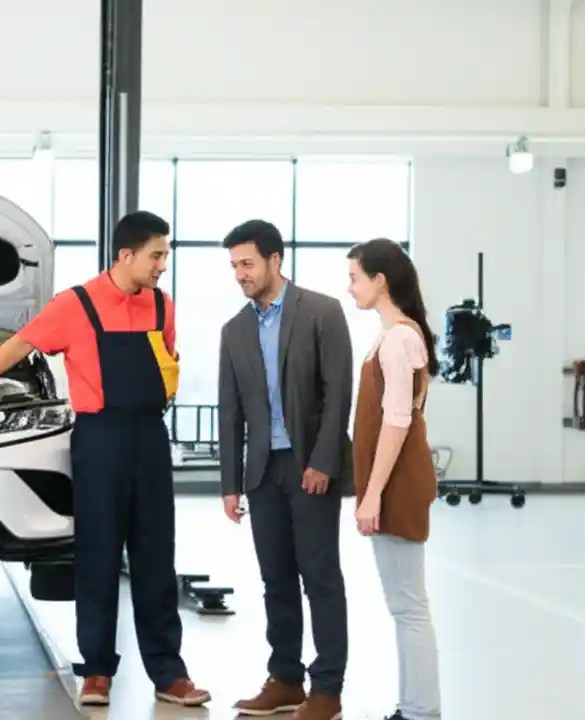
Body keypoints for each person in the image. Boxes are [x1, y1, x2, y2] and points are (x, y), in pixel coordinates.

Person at [0, 210, 210, 708]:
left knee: (155, 556)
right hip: (100, 438)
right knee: (98, 554)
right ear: (126, 255)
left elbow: (167, 362)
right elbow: (17, 348)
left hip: (149, 436)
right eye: (156, 255)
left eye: (165, 255)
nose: (163, 264)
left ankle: (169, 673)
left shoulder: (162, 305)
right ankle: (96, 670)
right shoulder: (76, 304)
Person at [217, 219, 352, 720]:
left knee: (320, 576)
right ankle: (286, 679)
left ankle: (328, 688)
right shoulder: (235, 330)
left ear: (275, 260)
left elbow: (339, 393)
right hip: (262, 472)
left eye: (248, 263)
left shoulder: (321, 311)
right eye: (235, 265)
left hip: (308, 466)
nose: (240, 274)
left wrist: (323, 460)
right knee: (275, 579)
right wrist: (230, 483)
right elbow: (229, 410)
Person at [346, 238, 442, 720]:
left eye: (355, 278)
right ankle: (414, 708)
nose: (350, 288)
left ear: (380, 280)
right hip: (393, 483)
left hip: (397, 485)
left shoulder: (400, 338)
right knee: (404, 605)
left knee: (408, 606)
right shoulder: (392, 336)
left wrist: (373, 495)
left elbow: (397, 420)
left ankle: (422, 711)